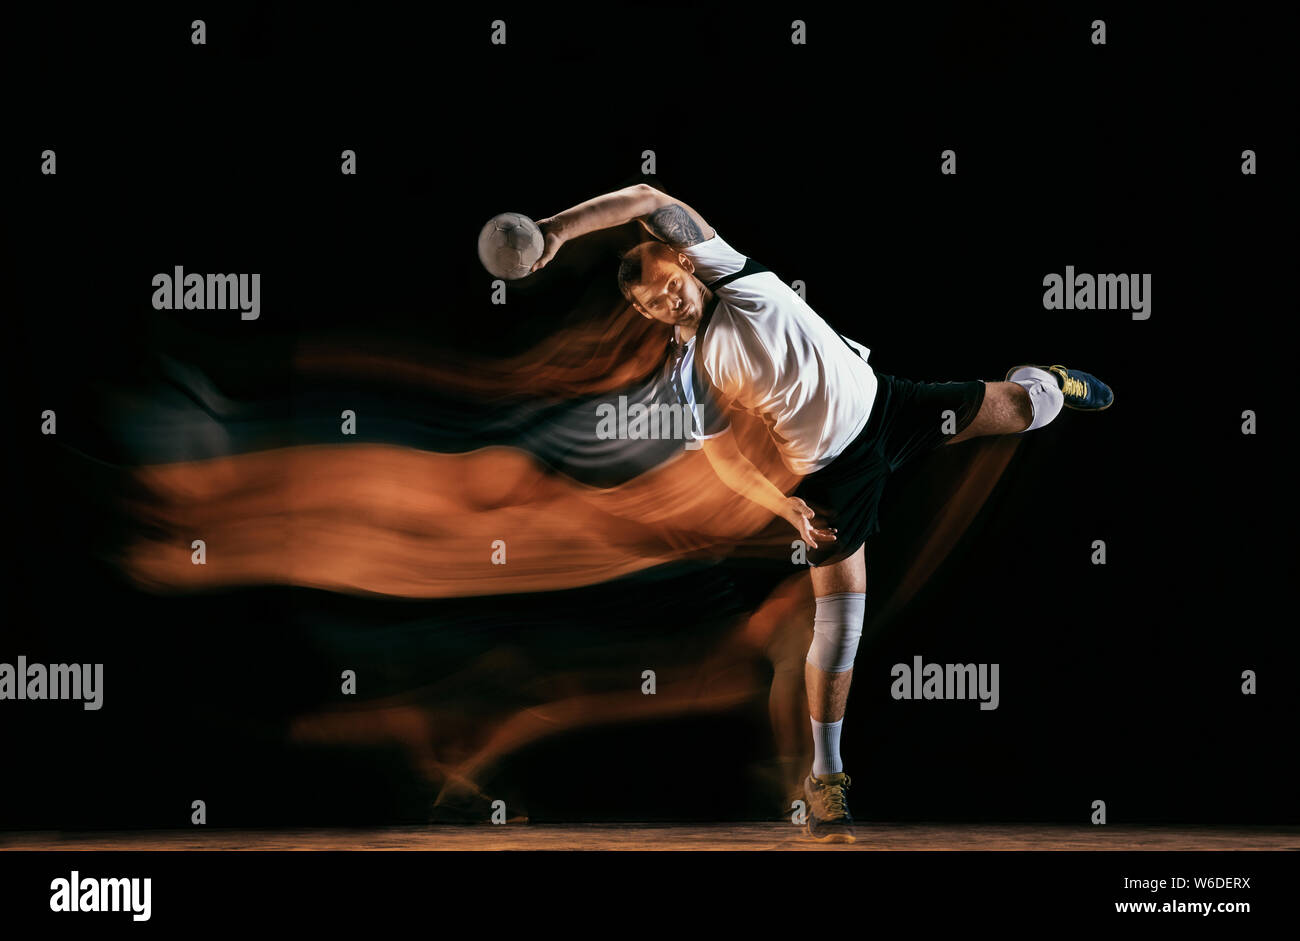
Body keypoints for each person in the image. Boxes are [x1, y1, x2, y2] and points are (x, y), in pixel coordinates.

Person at [531, 183, 1113, 841]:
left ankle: (1046, 376)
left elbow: (642, 195)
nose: (666, 299)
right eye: (650, 300)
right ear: (644, 310)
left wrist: (554, 231)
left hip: (891, 407)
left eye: (668, 281)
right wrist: (787, 509)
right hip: (833, 477)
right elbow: (722, 459)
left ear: (686, 263)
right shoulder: (690, 371)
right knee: (841, 623)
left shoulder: (735, 273)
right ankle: (826, 780)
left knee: (1034, 408)